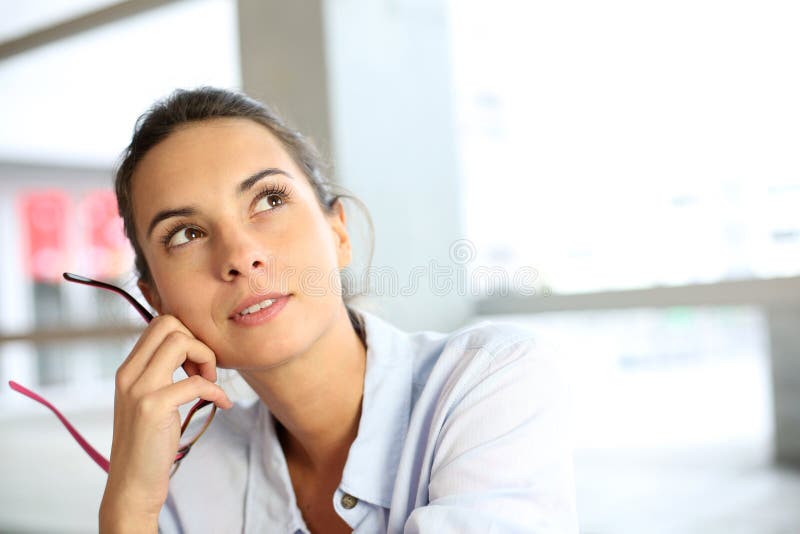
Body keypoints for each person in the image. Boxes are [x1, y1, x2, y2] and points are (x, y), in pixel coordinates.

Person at [99, 86, 579, 533]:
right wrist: (129, 506)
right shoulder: (185, 482)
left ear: (338, 234)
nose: (240, 256)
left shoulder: (490, 381)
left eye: (269, 200)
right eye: (186, 234)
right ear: (155, 300)